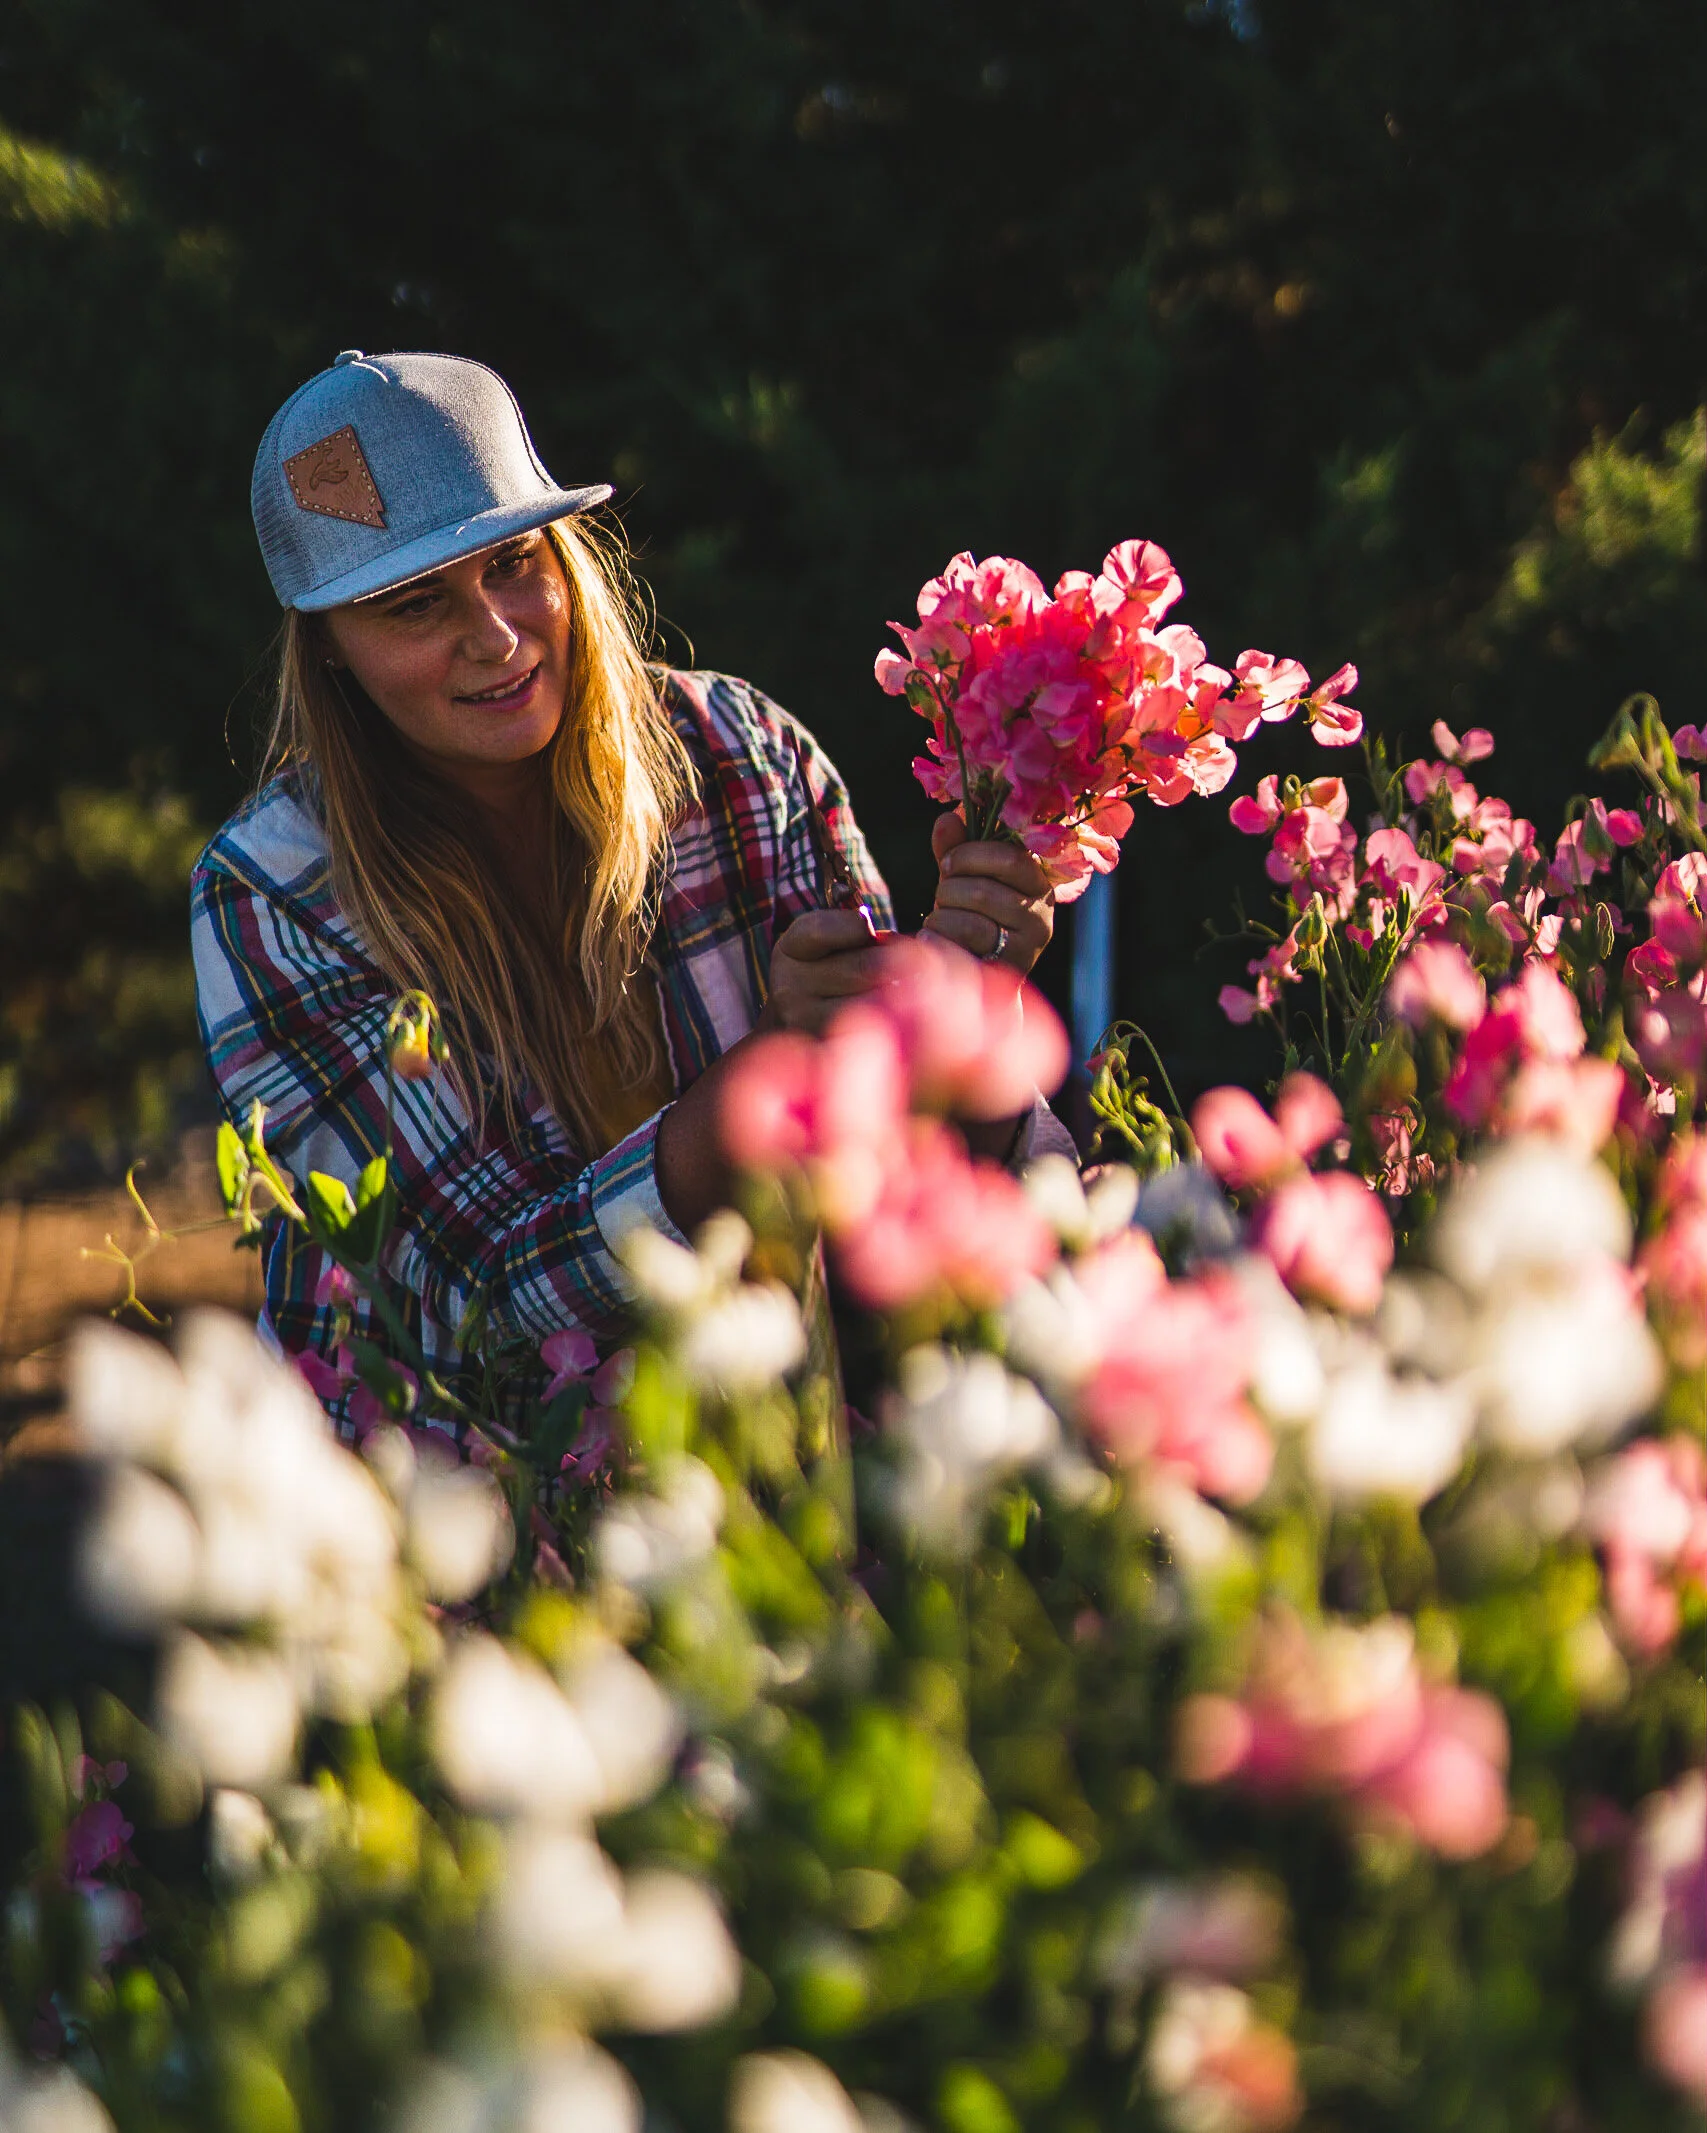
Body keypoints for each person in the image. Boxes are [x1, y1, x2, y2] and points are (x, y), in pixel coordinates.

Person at [192, 349, 1067, 1423]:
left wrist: (955, 1019)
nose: (496, 635)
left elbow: (908, 1208)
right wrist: (772, 1085)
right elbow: (479, 1312)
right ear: (331, 653)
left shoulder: (742, 753)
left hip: (781, 1495)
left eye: (513, 561)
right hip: (464, 1534)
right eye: (415, 606)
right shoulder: (273, 893)